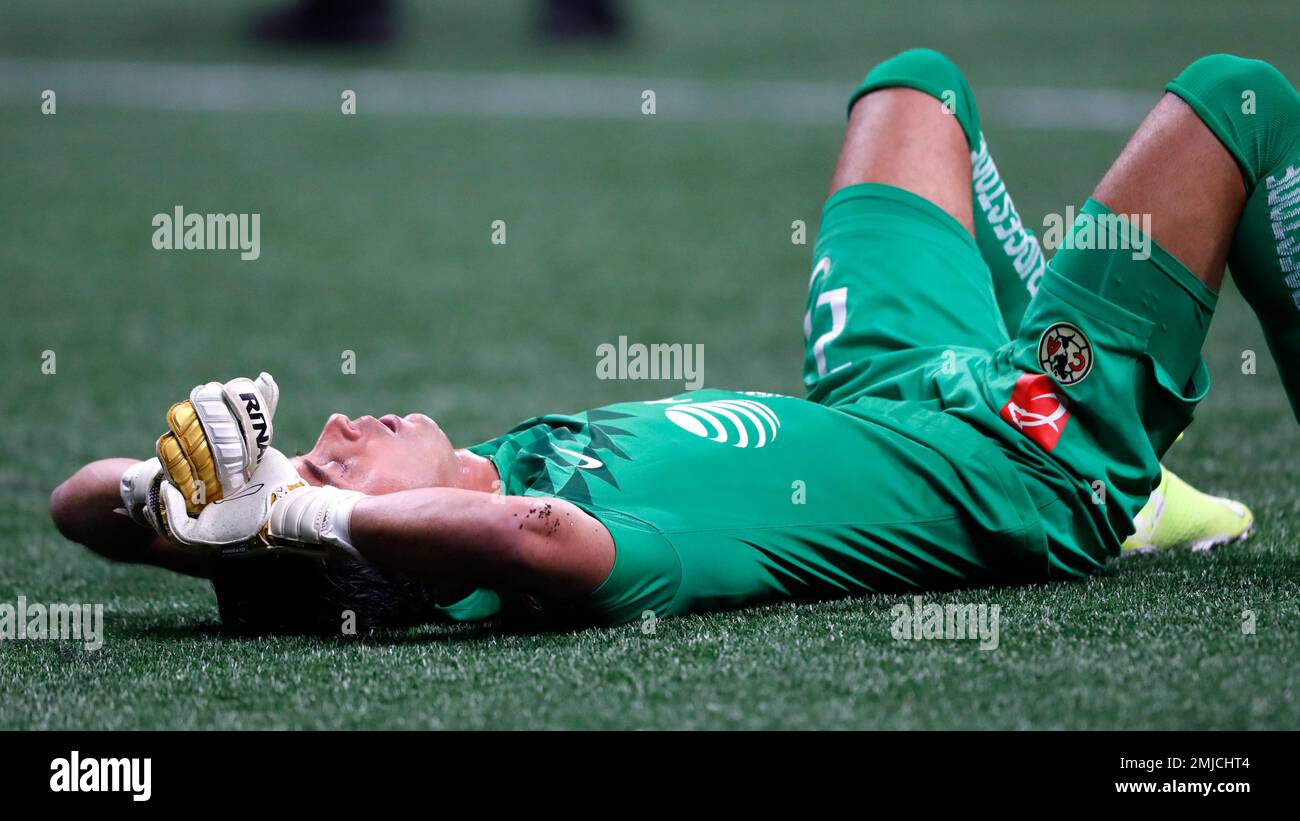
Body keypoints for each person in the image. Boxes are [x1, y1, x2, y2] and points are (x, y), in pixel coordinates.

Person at [53, 49, 1292, 633]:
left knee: (913, 88)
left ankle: (1110, 407)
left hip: (889, 385)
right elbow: (520, 536)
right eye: (331, 471)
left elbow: (77, 503)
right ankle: (1106, 437)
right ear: (388, 547)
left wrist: (191, 496)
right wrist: (317, 519)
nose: (328, 432)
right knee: (1238, 100)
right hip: (1025, 453)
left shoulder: (465, 484)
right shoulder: (552, 560)